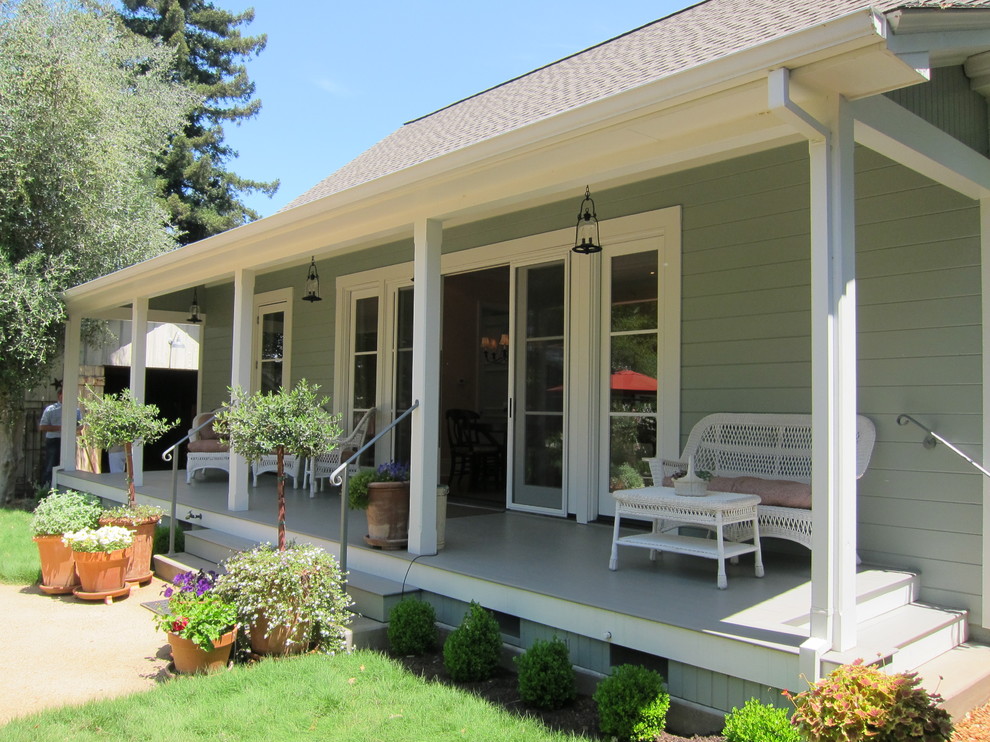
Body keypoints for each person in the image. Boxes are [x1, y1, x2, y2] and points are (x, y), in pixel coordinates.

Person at [38, 389, 81, 490]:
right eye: (63, 395)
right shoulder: (51, 409)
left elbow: (81, 426)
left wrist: (74, 429)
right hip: (54, 440)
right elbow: (42, 427)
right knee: (51, 465)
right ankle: (46, 489)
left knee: (69, 465)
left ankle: (67, 488)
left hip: (69, 440)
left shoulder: (76, 409)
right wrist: (61, 428)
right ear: (59, 396)